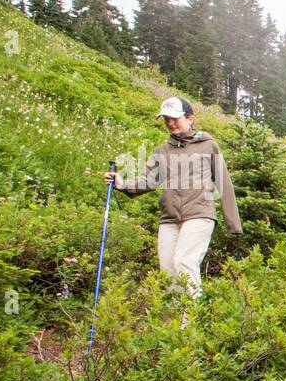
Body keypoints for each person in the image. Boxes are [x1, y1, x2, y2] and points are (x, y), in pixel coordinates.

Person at [104, 96, 242, 301]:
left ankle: (193, 322)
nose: (170, 123)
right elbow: (148, 180)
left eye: (174, 118)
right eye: (166, 119)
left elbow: (224, 184)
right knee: (168, 272)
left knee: (184, 262)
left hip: (199, 214)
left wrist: (233, 224)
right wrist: (122, 184)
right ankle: (178, 327)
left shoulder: (208, 145)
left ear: (190, 119)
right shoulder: (163, 150)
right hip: (169, 219)